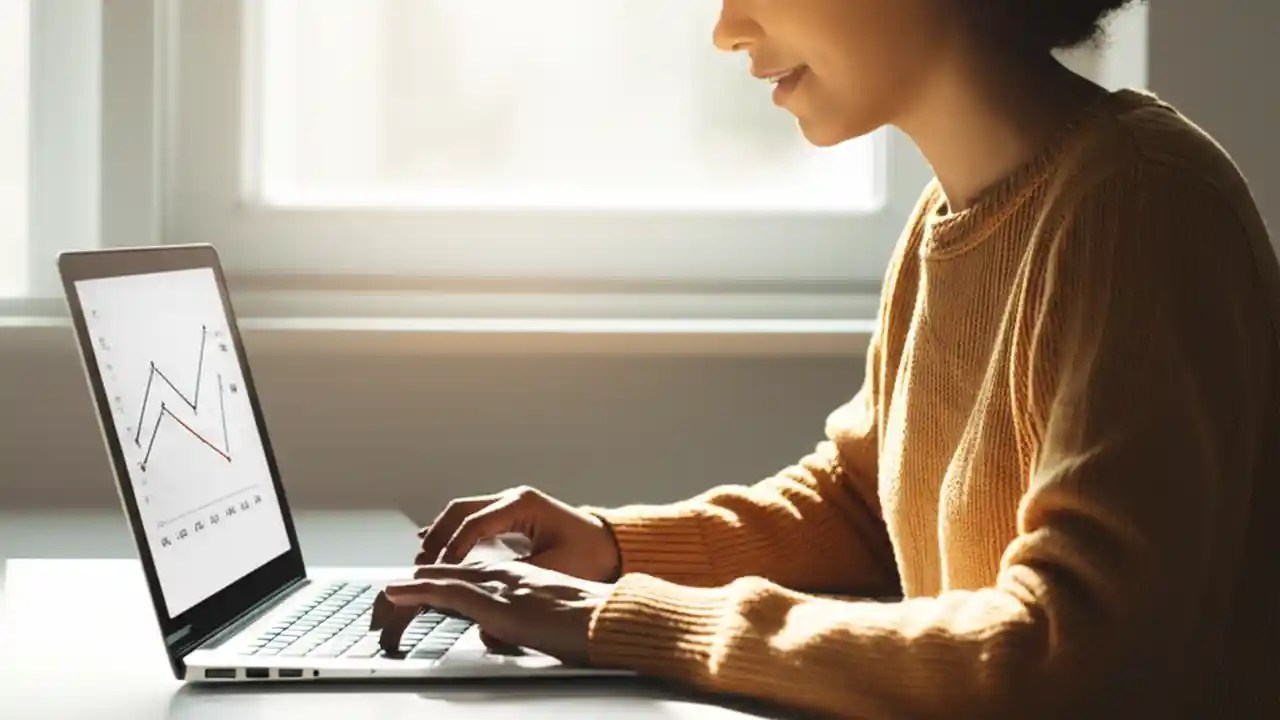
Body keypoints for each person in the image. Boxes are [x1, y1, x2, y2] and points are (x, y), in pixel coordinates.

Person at [369, 0, 1279, 716]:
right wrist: (610, 549)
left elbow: (1062, 656)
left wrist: (623, 621)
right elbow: (861, 508)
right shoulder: (947, 219)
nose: (727, 29)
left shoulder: (1141, 206)